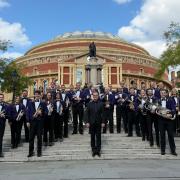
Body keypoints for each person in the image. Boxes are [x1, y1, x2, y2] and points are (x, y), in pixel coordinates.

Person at [27, 90, 47, 157]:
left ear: (40, 95)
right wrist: (27, 121)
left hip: (39, 122)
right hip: (32, 122)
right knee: (31, 138)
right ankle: (30, 152)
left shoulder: (43, 103)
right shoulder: (30, 103)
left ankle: (39, 152)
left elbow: (46, 112)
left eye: (38, 94)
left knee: (39, 138)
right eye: (36, 94)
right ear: (34, 95)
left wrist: (41, 113)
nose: (37, 95)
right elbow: (28, 113)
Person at [157, 89, 177, 156]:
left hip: (169, 120)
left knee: (171, 136)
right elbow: (156, 110)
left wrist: (171, 114)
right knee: (162, 136)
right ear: (160, 94)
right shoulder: (158, 101)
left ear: (166, 94)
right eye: (161, 93)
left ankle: (173, 150)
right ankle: (163, 150)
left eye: (164, 93)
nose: (162, 94)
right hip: (161, 120)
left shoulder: (170, 100)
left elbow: (173, 109)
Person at [85, 91, 105, 157]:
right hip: (92, 123)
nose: (95, 96)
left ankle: (98, 151)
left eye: (96, 95)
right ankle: (93, 150)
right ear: (92, 96)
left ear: (98, 96)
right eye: (94, 95)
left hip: (99, 123)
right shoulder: (89, 104)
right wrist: (87, 122)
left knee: (98, 137)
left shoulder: (101, 104)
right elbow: (87, 114)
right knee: (92, 137)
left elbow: (103, 114)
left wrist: (103, 122)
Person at [0, 93, 9, 157]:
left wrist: (4, 116)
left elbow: (8, 115)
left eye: (2, 97)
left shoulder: (6, 106)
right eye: (0, 97)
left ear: (3, 98)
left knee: (0, 138)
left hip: (2, 124)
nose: (1, 98)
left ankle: (0, 152)